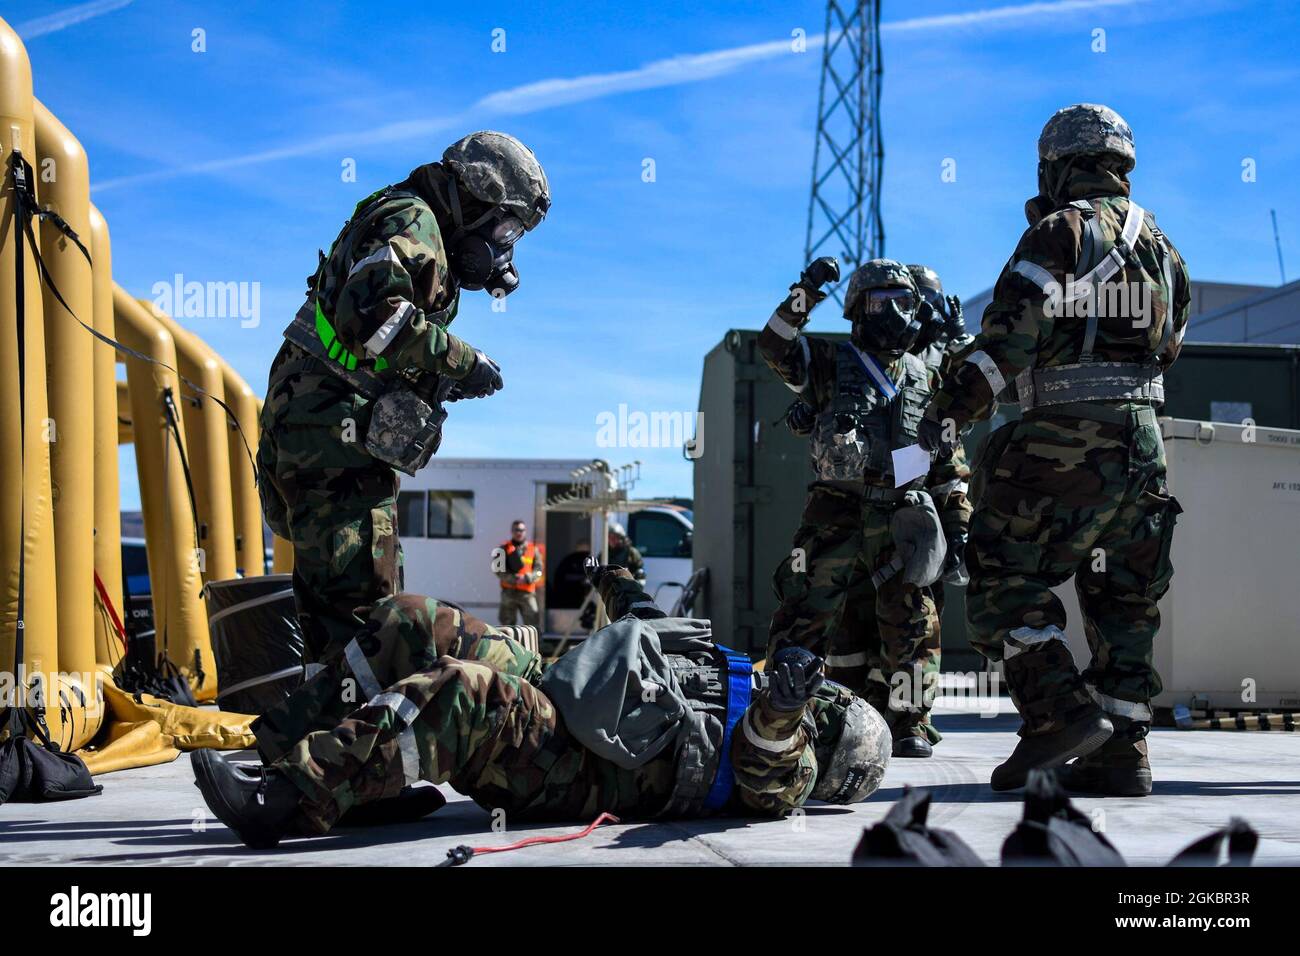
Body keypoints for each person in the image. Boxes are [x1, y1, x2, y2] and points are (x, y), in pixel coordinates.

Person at [189, 567, 892, 849]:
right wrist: (623, 590)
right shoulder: (746, 681)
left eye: (827, 713)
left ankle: (287, 799)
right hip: (571, 685)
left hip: (577, 761)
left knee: (464, 693)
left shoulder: (788, 768)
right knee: (412, 619)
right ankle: (281, 746)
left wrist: (784, 709)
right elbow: (647, 638)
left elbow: (768, 763)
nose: (817, 701)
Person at [917, 104, 1190, 795]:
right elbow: (1172, 345)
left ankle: (1055, 714)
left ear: (1057, 164)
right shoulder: (1164, 247)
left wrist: (947, 414)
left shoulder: (1058, 232)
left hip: (1062, 440)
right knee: (1125, 600)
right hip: (1146, 446)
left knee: (1002, 569)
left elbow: (1006, 341)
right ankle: (1122, 753)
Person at [253, 131, 550, 757]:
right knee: (368, 618)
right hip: (332, 436)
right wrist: (462, 361)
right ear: (478, 196)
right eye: (506, 228)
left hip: (320, 431)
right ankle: (330, 767)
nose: (503, 248)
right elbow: (373, 314)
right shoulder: (414, 220)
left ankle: (314, 757)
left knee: (336, 615)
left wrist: (434, 375)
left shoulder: (411, 222)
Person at [759, 256, 947, 758]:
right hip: (835, 512)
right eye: (883, 302)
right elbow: (774, 345)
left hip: (901, 515)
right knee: (808, 612)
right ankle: (785, 711)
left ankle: (909, 722)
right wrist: (806, 291)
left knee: (912, 622)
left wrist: (956, 523)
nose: (896, 313)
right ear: (858, 310)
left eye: (905, 303)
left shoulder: (924, 374)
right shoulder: (827, 363)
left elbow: (947, 453)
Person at [905, 265, 976, 679]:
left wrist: (960, 340)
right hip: (888, 485)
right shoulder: (889, 353)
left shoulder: (947, 355)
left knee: (924, 606)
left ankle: (913, 716)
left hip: (939, 484)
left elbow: (983, 390)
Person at [496, 520, 544, 628]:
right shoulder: (503, 549)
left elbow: (539, 570)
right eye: (516, 530)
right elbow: (497, 570)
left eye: (521, 530)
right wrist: (513, 579)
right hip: (508, 593)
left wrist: (527, 578)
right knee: (506, 627)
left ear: (525, 531)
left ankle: (535, 645)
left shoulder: (533, 549)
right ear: (512, 531)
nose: (519, 533)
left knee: (533, 626)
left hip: (527, 594)